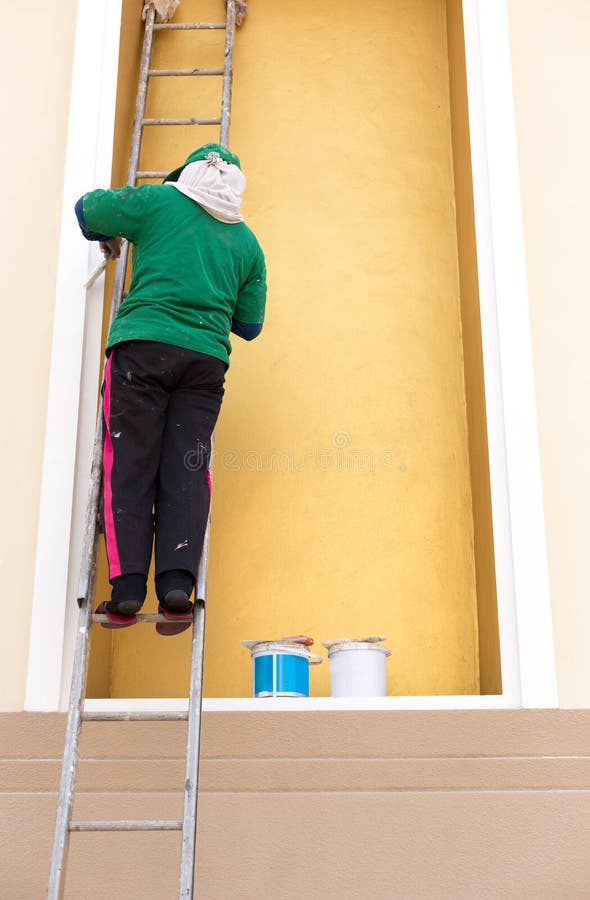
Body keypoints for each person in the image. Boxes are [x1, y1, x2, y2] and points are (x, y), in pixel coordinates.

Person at [75, 143, 266, 634]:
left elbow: (88, 208)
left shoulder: (159, 202)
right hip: (204, 364)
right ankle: (178, 586)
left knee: (130, 464)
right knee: (187, 469)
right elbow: (249, 325)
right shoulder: (247, 243)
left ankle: (127, 589)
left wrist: (110, 233)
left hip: (142, 350)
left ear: (184, 176)